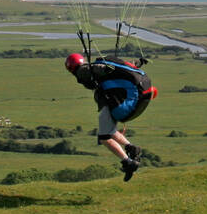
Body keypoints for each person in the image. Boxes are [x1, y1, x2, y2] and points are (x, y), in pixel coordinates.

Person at [65, 52, 157, 181]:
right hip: (126, 95)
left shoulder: (83, 71)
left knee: (104, 137)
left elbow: (92, 75)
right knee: (110, 131)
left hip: (115, 102)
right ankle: (132, 148)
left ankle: (128, 162)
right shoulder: (102, 62)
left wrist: (100, 73)